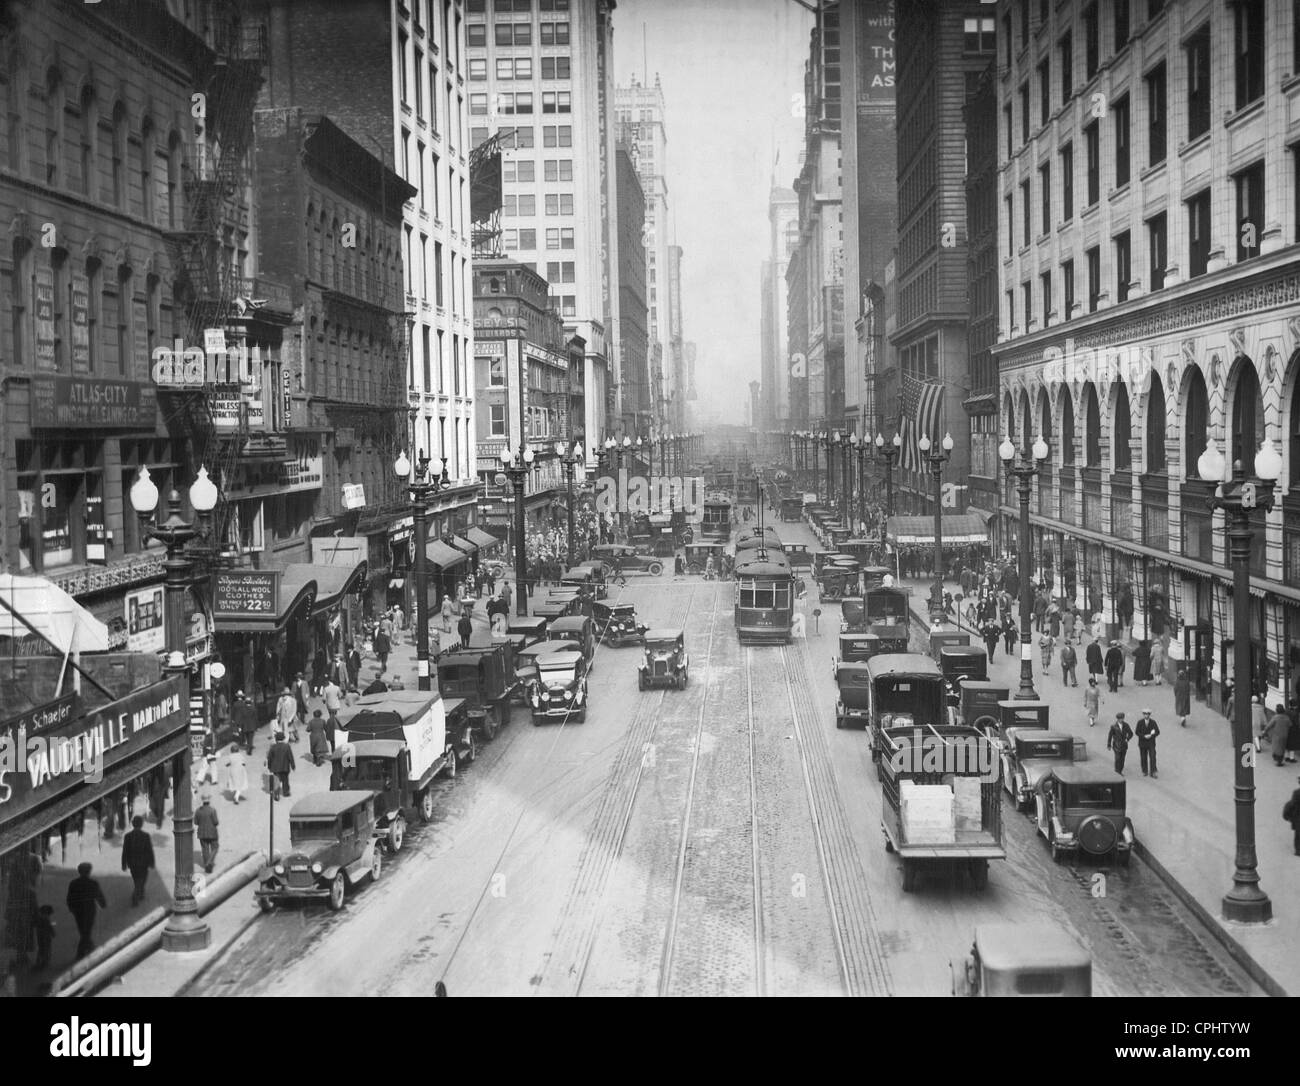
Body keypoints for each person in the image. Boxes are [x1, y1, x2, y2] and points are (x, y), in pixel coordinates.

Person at [66, 863, 107, 961]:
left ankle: (87, 948)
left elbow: (69, 898)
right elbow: (99, 895)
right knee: (87, 930)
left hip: (78, 910)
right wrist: (102, 904)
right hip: (90, 910)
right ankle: (85, 950)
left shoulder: (73, 883)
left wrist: (71, 908)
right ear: (89, 871)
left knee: (83, 930)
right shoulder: (93, 883)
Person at [120, 815, 155, 906]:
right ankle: (135, 895)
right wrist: (152, 862)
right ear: (141, 824)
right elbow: (149, 850)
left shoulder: (127, 836)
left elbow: (125, 851)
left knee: (136, 879)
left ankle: (140, 893)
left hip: (132, 863)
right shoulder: (145, 836)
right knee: (142, 880)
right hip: (143, 863)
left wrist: (124, 864)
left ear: (133, 824)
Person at [195, 795, 220, 874]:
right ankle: (209, 862)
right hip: (212, 832)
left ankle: (207, 866)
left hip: (202, 832)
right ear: (209, 801)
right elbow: (216, 822)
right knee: (215, 847)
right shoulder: (212, 810)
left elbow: (196, 822)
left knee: (205, 849)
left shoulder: (198, 810)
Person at [267, 734, 296, 799]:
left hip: (275, 768)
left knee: (277, 781)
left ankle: (276, 795)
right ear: (283, 739)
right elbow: (290, 757)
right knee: (285, 780)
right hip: (285, 767)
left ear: (276, 739)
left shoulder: (273, 747)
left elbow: (270, 758)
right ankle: (286, 792)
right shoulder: (287, 746)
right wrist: (293, 766)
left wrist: (269, 767)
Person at [1135, 709, 1161, 779]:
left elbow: (1158, 732)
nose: (1146, 716)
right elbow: (1137, 732)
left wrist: (1152, 735)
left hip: (1151, 743)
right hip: (1142, 743)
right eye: (1145, 714)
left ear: (1149, 715)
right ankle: (1144, 770)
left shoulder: (1153, 722)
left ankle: (1153, 772)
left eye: (1147, 714)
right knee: (1143, 757)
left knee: (1153, 757)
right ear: (1143, 715)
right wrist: (1143, 736)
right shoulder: (1140, 722)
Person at [322, 677, 343, 752]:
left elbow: (324, 698)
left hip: (330, 705)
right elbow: (340, 696)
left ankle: (331, 728)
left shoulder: (326, 688)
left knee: (331, 716)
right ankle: (336, 728)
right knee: (336, 717)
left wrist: (324, 701)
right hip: (336, 705)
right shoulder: (337, 687)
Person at [32, 905, 54, 972]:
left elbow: (34, 924)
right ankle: (44, 962)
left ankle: (38, 962)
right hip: (46, 937)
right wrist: (53, 933)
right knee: (46, 949)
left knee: (41, 949)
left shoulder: (39, 918)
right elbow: (50, 927)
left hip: (40, 937)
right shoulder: (46, 919)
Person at [235, 690, 258, 755]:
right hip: (252, 726)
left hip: (245, 726)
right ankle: (250, 747)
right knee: (251, 738)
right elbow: (256, 718)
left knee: (247, 738)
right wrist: (256, 726)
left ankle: (249, 746)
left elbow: (241, 718)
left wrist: (239, 726)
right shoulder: (253, 709)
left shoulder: (243, 710)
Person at [1284, 777, 1300, 856]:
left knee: (1298, 835)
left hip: (1298, 817)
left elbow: (1292, 804)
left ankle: (1298, 850)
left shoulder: (1297, 793)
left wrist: (1287, 814)